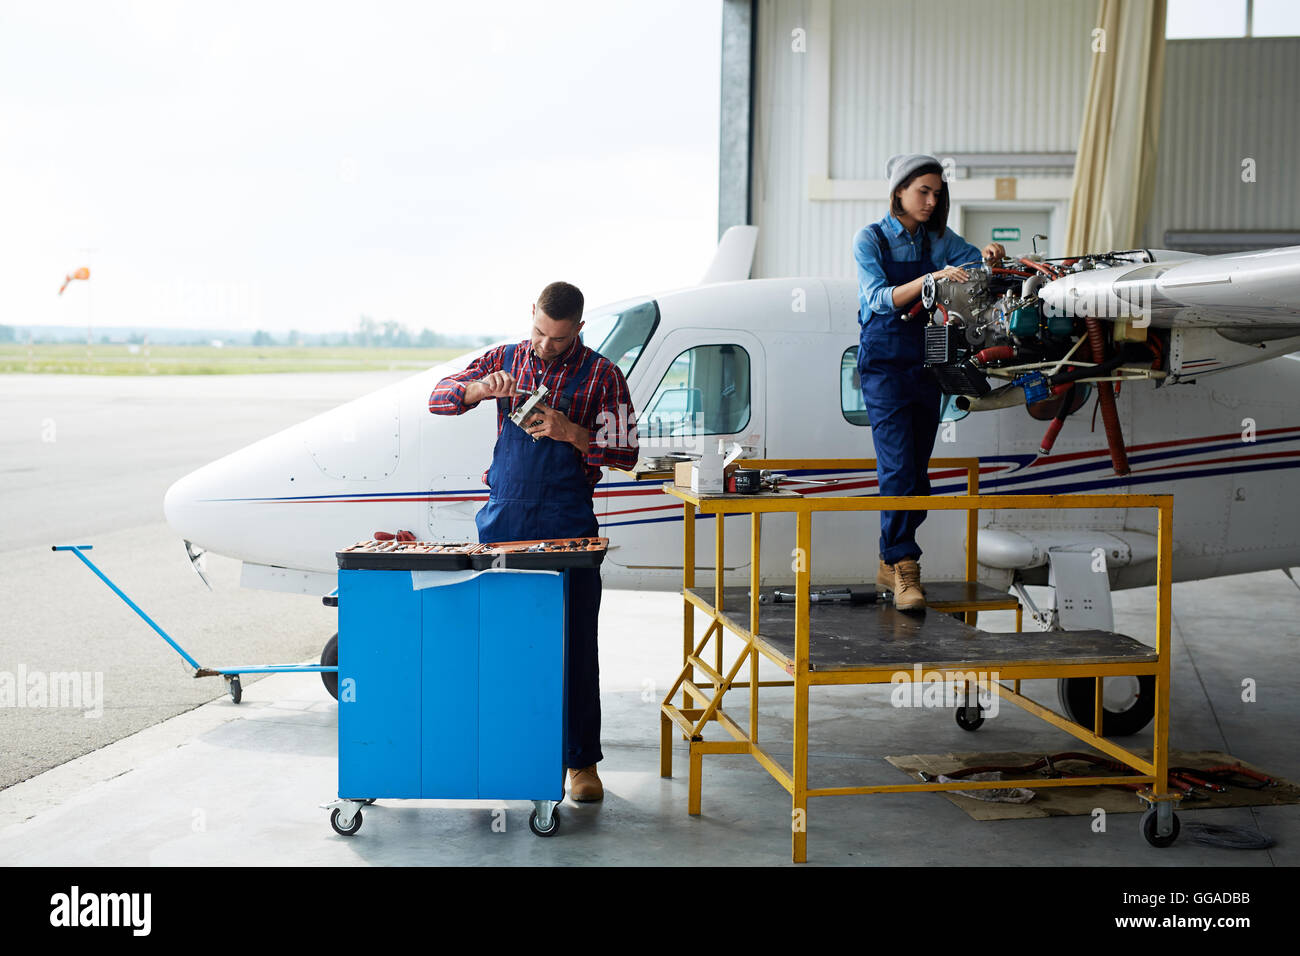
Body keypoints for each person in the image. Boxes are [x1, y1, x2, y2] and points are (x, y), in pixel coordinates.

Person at [427, 281, 638, 801]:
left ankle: (581, 764)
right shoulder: (505, 358)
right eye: (540, 332)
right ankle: (501, 749)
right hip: (505, 521)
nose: (546, 346)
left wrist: (572, 433)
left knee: (574, 645)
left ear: (579, 331)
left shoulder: (604, 376)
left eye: (559, 339)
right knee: (498, 640)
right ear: (533, 319)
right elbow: (438, 399)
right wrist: (477, 391)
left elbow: (627, 451)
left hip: (569, 522)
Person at [852, 154, 1005, 612]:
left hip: (928, 363)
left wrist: (993, 257)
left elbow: (977, 264)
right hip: (884, 365)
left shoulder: (939, 238)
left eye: (937, 192)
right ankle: (903, 564)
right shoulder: (871, 239)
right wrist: (931, 278)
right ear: (898, 191)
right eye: (923, 190)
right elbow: (879, 299)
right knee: (898, 467)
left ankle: (888, 559)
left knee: (917, 472)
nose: (932, 199)